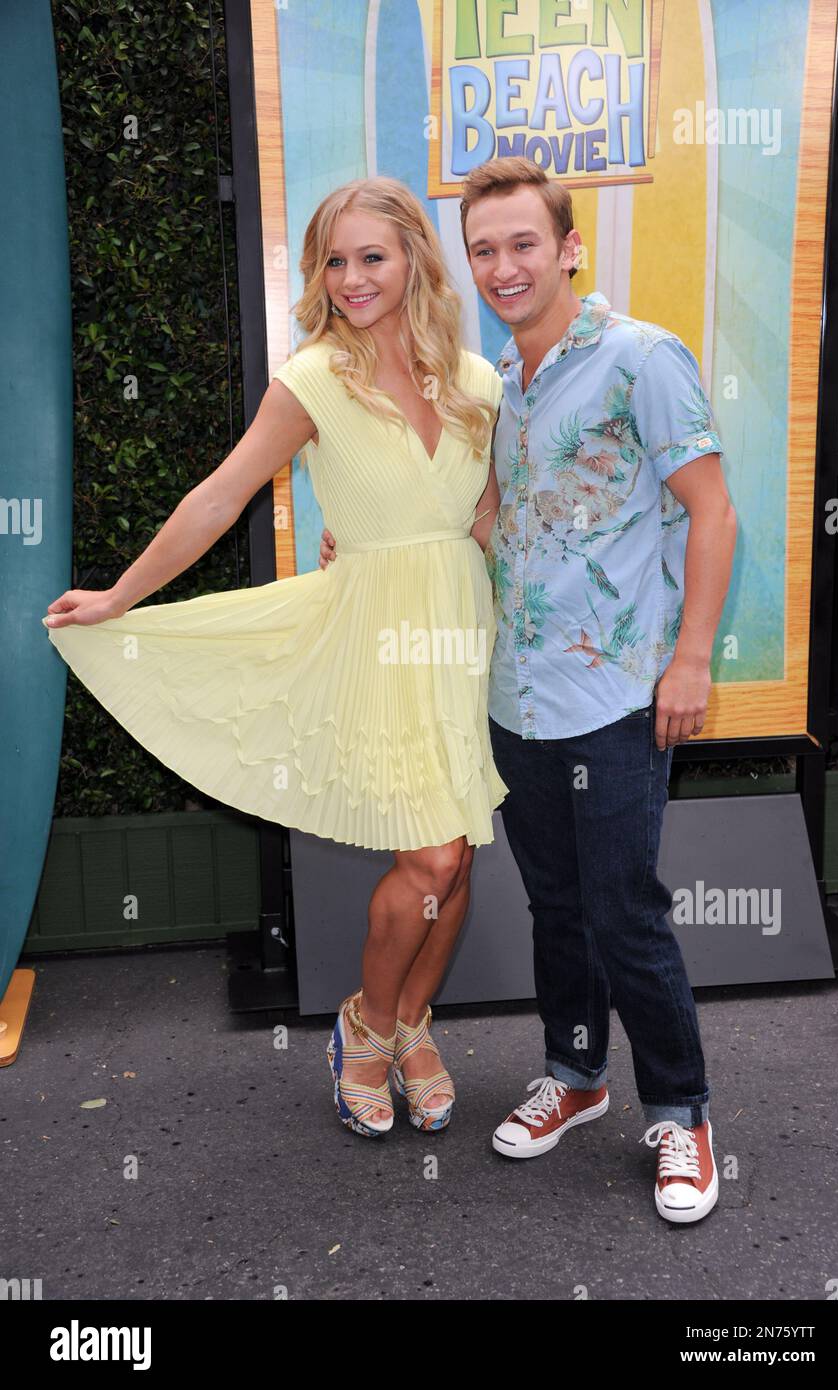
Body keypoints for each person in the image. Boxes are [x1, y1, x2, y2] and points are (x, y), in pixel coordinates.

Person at [42, 175, 507, 1140]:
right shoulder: (313, 379)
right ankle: (367, 1026)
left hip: (460, 628)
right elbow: (220, 497)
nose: (350, 278)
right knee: (427, 853)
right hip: (374, 632)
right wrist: (123, 595)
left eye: (370, 256)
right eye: (333, 261)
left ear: (415, 256)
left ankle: (413, 1029)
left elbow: (490, 515)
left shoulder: (476, 379)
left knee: (455, 856)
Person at [319, 156, 737, 1222]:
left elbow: (712, 510)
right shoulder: (498, 386)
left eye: (522, 244)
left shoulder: (642, 359)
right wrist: (366, 538)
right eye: (485, 249)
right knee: (557, 904)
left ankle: (682, 1114)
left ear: (567, 249)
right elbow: (489, 521)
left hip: (616, 694)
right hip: (515, 696)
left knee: (623, 910)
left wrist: (689, 659)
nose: (504, 266)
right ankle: (577, 1072)